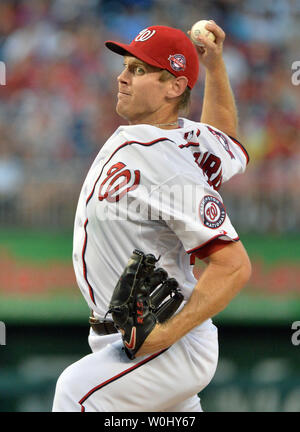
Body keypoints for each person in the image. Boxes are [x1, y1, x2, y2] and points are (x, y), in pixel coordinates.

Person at [52, 21, 251, 412]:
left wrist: (164, 335)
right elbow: (223, 139)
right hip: (127, 337)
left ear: (174, 86)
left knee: (75, 394)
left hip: (165, 342)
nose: (122, 77)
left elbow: (234, 266)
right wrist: (215, 66)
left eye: (138, 70)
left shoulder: (169, 164)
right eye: (126, 66)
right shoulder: (179, 141)